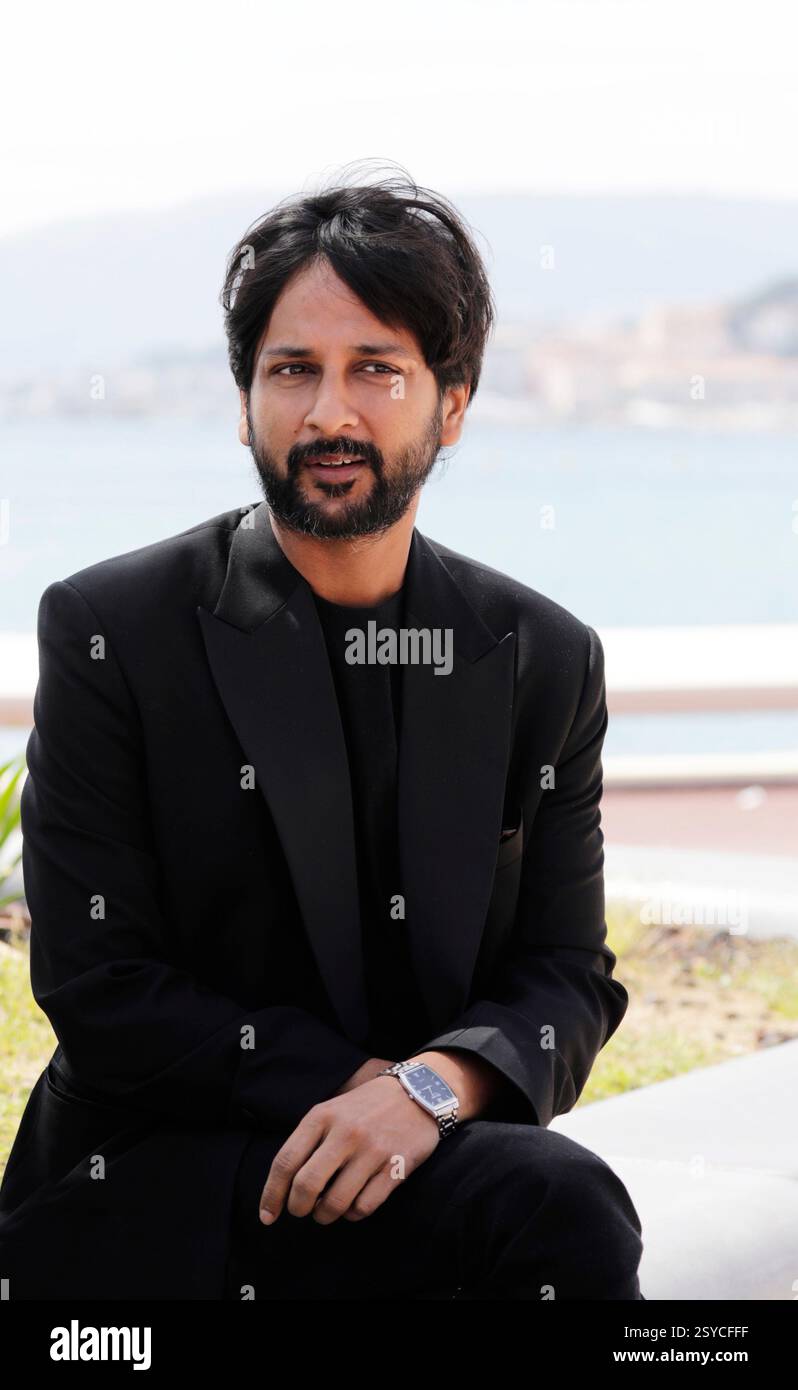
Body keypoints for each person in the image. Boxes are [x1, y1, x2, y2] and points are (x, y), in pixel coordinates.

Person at [0, 162, 644, 1300]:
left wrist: (432, 1091)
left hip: (417, 1162)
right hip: (165, 1177)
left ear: (452, 404)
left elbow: (567, 975)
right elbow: (102, 984)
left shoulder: (541, 657)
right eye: (292, 369)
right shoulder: (114, 629)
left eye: (376, 371)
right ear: (246, 397)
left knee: (561, 1208)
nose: (329, 414)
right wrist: (364, 1092)